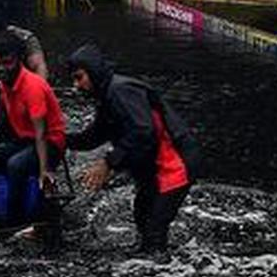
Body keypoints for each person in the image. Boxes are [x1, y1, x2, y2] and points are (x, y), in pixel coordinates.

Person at [64, 44, 201, 253]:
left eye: (79, 77)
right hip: (153, 168)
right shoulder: (106, 97)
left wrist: (108, 162)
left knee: (155, 226)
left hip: (174, 164)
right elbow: (93, 137)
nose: (76, 86)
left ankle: (161, 274)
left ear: (93, 72)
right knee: (142, 214)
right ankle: (151, 260)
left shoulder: (120, 90)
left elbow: (143, 131)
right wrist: (59, 139)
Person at [0, 33, 66, 230]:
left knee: (16, 165)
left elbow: (41, 132)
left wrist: (43, 170)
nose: (2, 69)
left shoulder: (33, 87)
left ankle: (16, 221)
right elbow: (3, 114)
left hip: (49, 144)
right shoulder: (6, 83)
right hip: (24, 141)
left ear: (18, 60)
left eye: (7, 63)